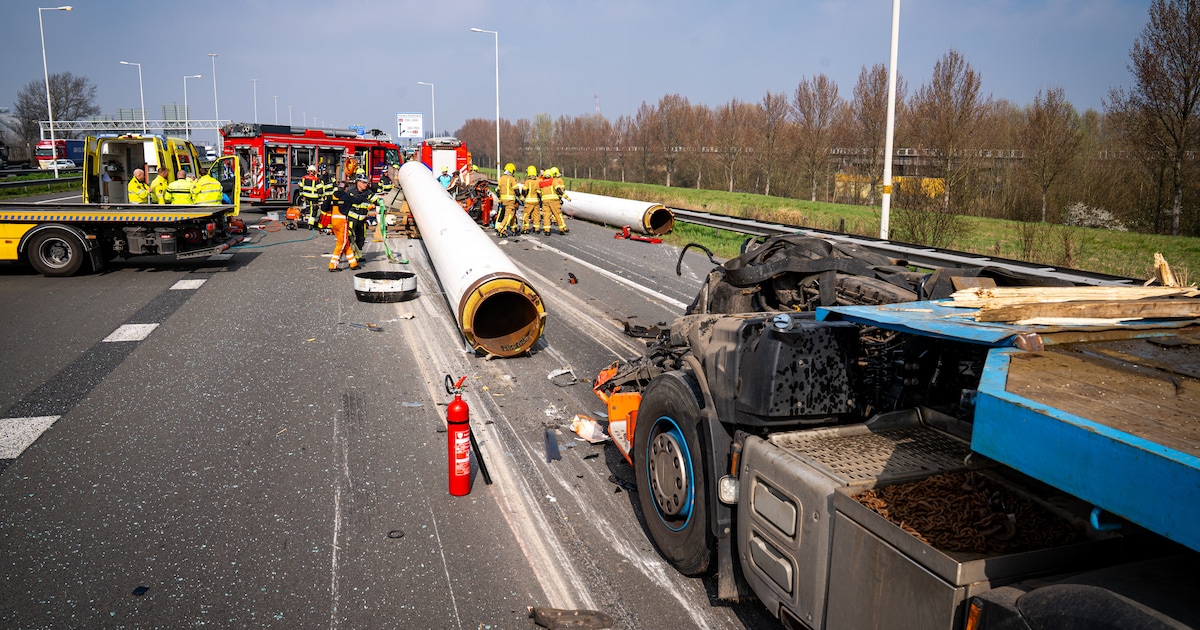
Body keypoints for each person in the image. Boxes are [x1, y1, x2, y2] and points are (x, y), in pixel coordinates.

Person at [327, 179, 362, 272]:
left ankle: (353, 263)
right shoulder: (346, 196)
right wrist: (365, 197)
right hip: (342, 222)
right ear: (346, 188)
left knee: (345, 242)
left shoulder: (332, 195)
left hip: (333, 222)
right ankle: (333, 265)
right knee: (341, 243)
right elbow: (357, 201)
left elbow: (324, 207)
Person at [340, 174, 376, 261]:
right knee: (351, 237)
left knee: (361, 238)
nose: (366, 184)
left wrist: (380, 202)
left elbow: (376, 199)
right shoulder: (350, 191)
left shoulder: (368, 192)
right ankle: (345, 255)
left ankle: (358, 256)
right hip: (352, 219)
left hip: (362, 220)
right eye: (364, 183)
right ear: (358, 182)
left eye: (366, 183)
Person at [495, 163, 519, 236]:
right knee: (509, 215)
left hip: (503, 200)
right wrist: (520, 198)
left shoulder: (501, 179)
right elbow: (516, 190)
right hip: (510, 200)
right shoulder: (512, 179)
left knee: (511, 214)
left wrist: (500, 198)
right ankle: (501, 229)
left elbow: (497, 190)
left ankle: (513, 228)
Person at [299, 164, 322, 229]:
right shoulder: (316, 179)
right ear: (314, 172)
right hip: (314, 197)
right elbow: (320, 189)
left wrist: (301, 195)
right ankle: (310, 224)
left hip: (306, 196)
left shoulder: (303, 178)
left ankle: (306, 220)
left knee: (308, 208)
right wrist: (320, 196)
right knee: (314, 210)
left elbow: (300, 187)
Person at [520, 165, 542, 234]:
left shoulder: (528, 181)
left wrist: (524, 196)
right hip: (536, 201)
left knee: (526, 215)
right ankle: (537, 229)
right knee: (536, 215)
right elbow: (539, 192)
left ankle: (525, 228)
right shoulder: (537, 181)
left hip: (529, 201)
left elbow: (524, 190)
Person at [548, 167, 569, 234]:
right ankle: (562, 227)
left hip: (554, 198)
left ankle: (558, 225)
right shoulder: (558, 180)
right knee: (558, 213)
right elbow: (561, 190)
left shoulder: (555, 180)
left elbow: (560, 190)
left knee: (552, 212)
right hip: (556, 199)